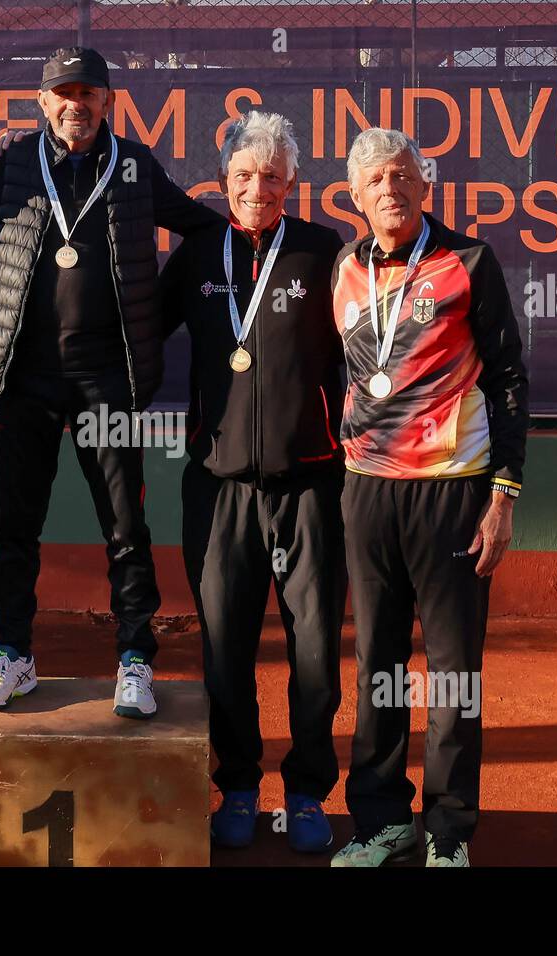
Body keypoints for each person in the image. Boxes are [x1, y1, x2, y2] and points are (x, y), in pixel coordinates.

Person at [0, 47, 223, 718]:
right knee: (16, 527)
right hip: (27, 380)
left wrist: (154, 315)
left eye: (90, 92)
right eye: (63, 92)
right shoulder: (16, 164)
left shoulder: (134, 165)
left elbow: (201, 229)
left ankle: (135, 660)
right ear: (43, 102)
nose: (77, 102)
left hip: (110, 380)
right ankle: (13, 656)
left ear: (108, 101)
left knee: (126, 526)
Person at [328, 128, 529, 868]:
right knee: (377, 662)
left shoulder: (469, 261)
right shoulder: (343, 270)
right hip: (368, 494)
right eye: (376, 179)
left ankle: (449, 832)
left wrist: (503, 493)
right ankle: (382, 822)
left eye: (403, 174)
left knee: (452, 672)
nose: (391, 188)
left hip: (452, 493)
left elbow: (508, 379)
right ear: (354, 195)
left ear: (425, 185)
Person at [159, 111, 347, 853]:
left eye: (271, 176)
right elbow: (141, 329)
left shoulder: (321, 251)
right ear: (224, 181)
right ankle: (236, 783)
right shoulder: (199, 254)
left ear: (291, 182)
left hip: (312, 484)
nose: (257, 188)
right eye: (244, 175)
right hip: (219, 483)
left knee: (313, 650)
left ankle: (306, 791)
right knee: (224, 646)